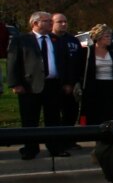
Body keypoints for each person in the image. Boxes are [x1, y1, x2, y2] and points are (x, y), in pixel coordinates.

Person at [6, 11, 75, 159]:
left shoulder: (57, 40)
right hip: (30, 86)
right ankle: (30, 149)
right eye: (47, 21)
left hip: (53, 85)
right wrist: (15, 83)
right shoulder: (22, 40)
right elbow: (12, 62)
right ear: (35, 23)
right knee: (30, 119)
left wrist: (68, 82)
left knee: (53, 118)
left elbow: (66, 62)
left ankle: (55, 148)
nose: (51, 23)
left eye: (51, 21)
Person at [79, 24, 113, 125]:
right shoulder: (88, 51)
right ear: (98, 37)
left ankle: (109, 131)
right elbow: (81, 69)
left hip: (111, 87)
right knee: (93, 113)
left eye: (110, 36)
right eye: (107, 36)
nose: (110, 38)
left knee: (110, 113)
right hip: (94, 87)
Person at [52, 13, 85, 133]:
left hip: (72, 84)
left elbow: (79, 62)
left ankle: (69, 139)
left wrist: (74, 82)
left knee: (71, 113)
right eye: (60, 22)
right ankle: (56, 139)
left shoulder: (73, 40)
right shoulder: (48, 40)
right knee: (53, 115)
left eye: (65, 21)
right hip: (54, 83)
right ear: (52, 23)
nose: (64, 24)